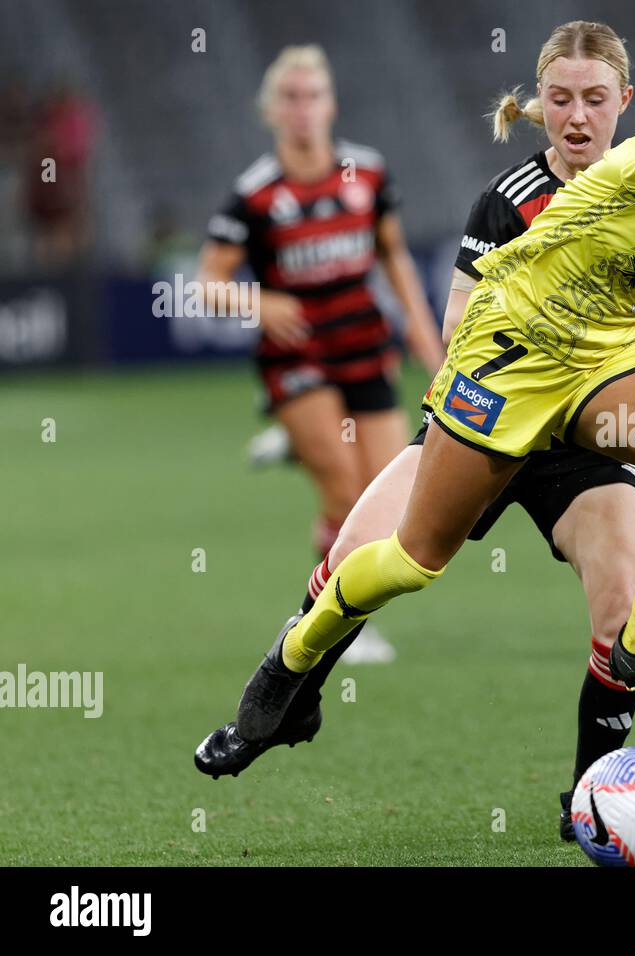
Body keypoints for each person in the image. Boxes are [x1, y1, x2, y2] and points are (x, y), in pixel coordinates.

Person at [229, 0, 635, 804]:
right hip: (507, 369)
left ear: (624, 97)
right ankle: (291, 663)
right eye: (560, 97)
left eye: (595, 97)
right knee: (408, 563)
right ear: (539, 101)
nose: (578, 116)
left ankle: (624, 699)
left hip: (603, 370)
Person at [196, 46, 445, 660]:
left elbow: (393, 258)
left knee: (389, 505)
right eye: (290, 98)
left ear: (330, 103)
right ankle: (329, 625)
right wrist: (259, 305)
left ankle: (295, 446)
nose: (302, 109)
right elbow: (207, 283)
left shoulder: (368, 174)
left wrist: (426, 341)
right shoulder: (254, 195)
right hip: (298, 360)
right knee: (341, 488)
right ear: (271, 111)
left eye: (312, 96)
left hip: (363, 346)